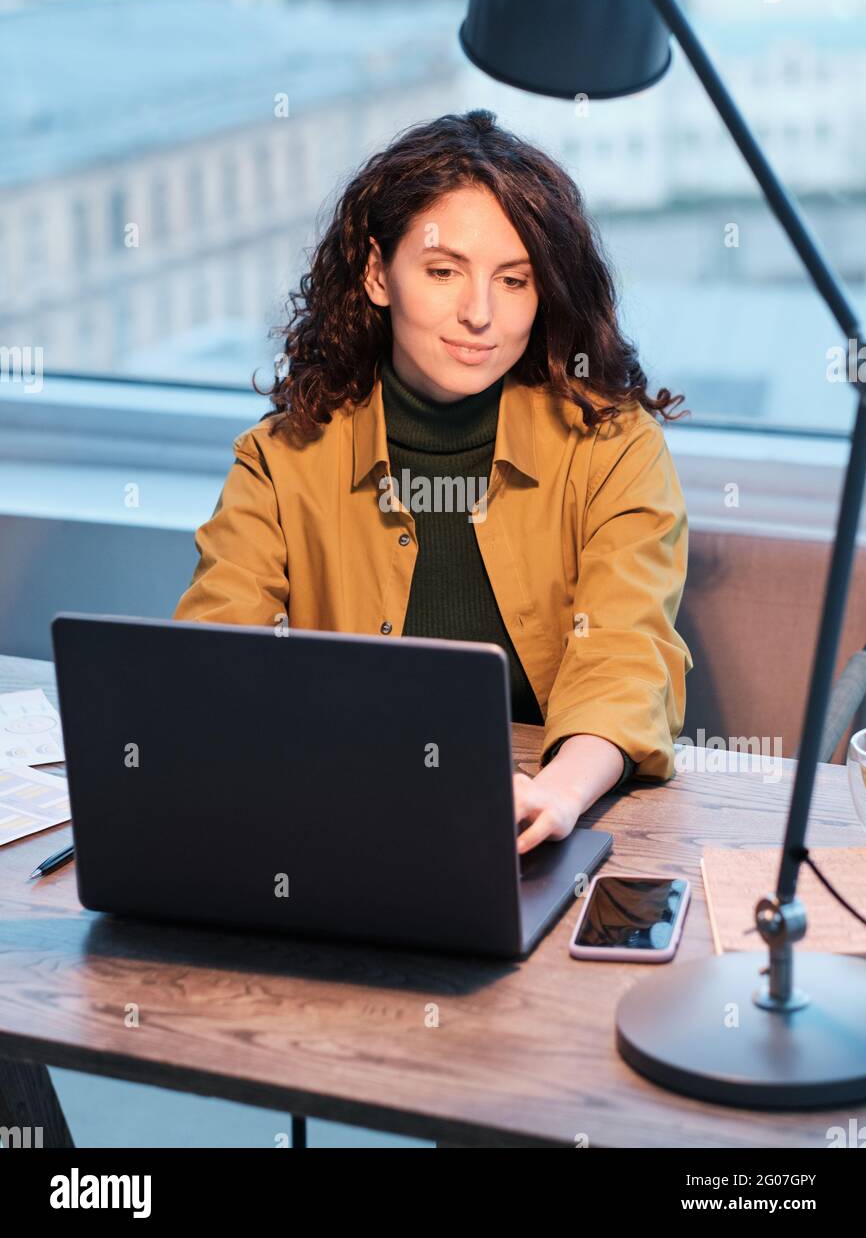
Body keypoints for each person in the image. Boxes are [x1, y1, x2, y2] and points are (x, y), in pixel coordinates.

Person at [173, 108, 693, 853]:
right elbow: (207, 667)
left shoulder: (613, 448)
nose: (479, 314)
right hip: (332, 824)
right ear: (379, 274)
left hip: (539, 820)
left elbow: (626, 657)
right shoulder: (282, 456)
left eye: (513, 281)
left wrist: (557, 794)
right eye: (443, 271)